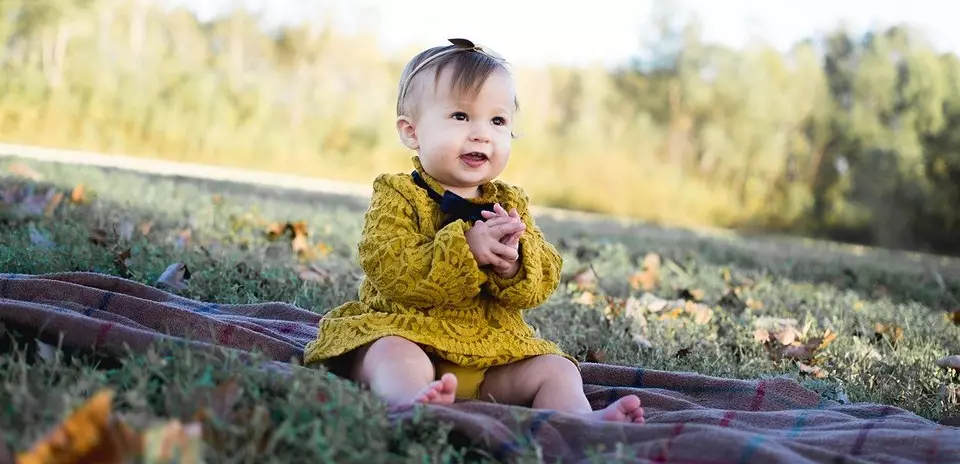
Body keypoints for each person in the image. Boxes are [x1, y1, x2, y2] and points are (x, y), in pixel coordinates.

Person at [304, 38, 644, 424]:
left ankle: (579, 421)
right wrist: (465, 249)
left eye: (497, 121)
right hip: (409, 332)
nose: (482, 133)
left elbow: (544, 276)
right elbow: (390, 264)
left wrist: (514, 263)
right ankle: (411, 404)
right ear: (412, 132)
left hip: (490, 354)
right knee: (390, 355)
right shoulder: (398, 194)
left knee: (557, 369)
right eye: (461, 117)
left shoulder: (509, 203)